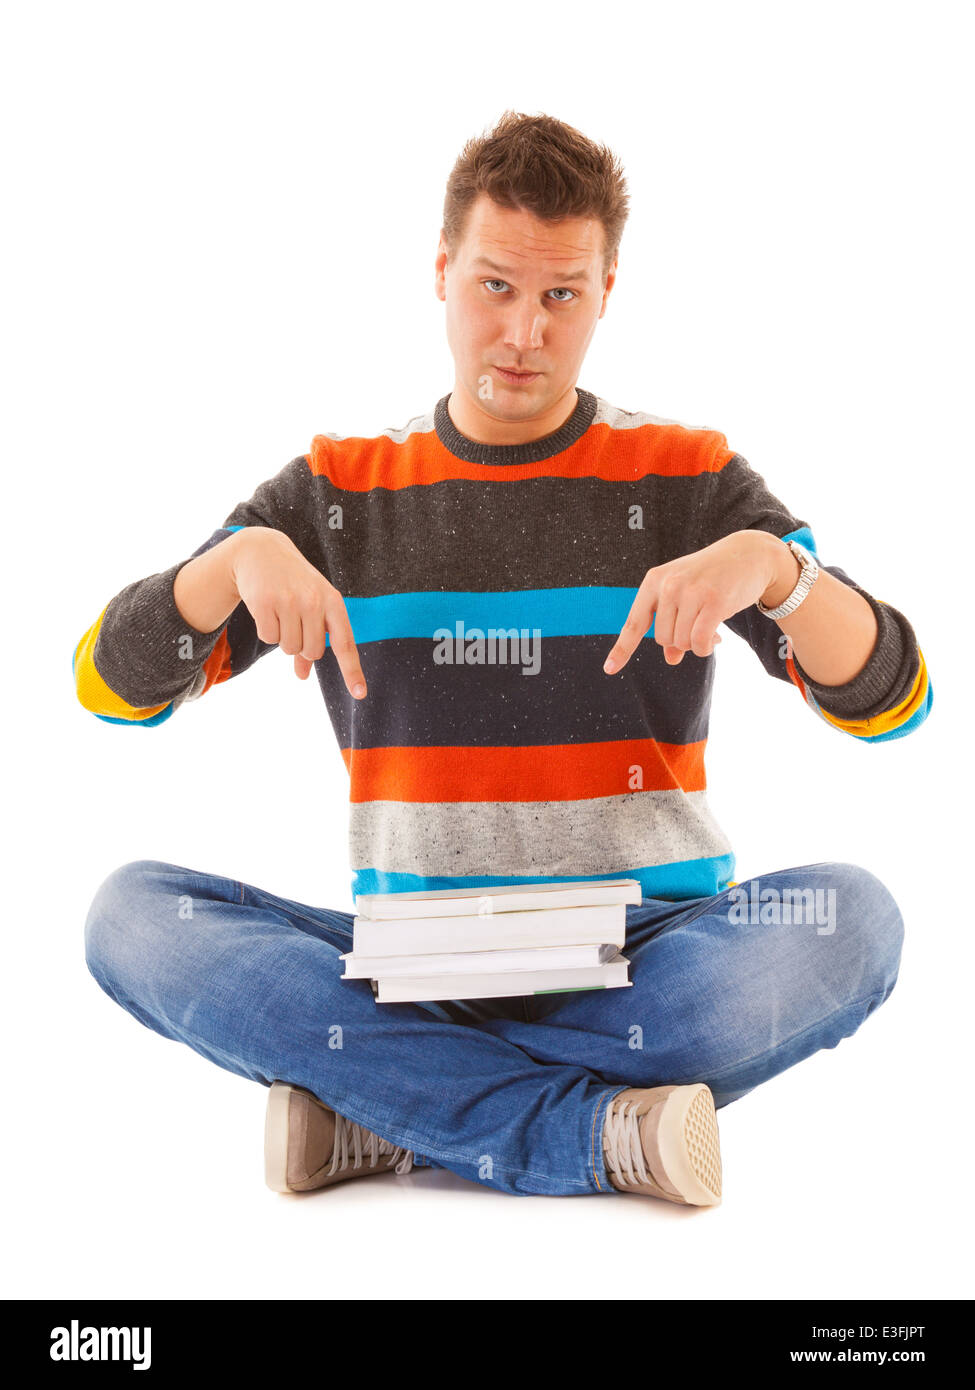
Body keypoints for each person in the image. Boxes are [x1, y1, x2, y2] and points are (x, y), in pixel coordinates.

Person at [75, 111, 931, 1207]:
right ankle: (588, 1130)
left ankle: (386, 1107)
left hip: (646, 956)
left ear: (606, 291)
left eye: (561, 294)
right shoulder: (335, 492)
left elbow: (891, 699)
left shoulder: (687, 475)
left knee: (854, 917)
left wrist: (776, 571)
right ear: (441, 272)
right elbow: (110, 687)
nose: (524, 331)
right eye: (495, 286)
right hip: (408, 964)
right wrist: (230, 564)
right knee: (130, 916)